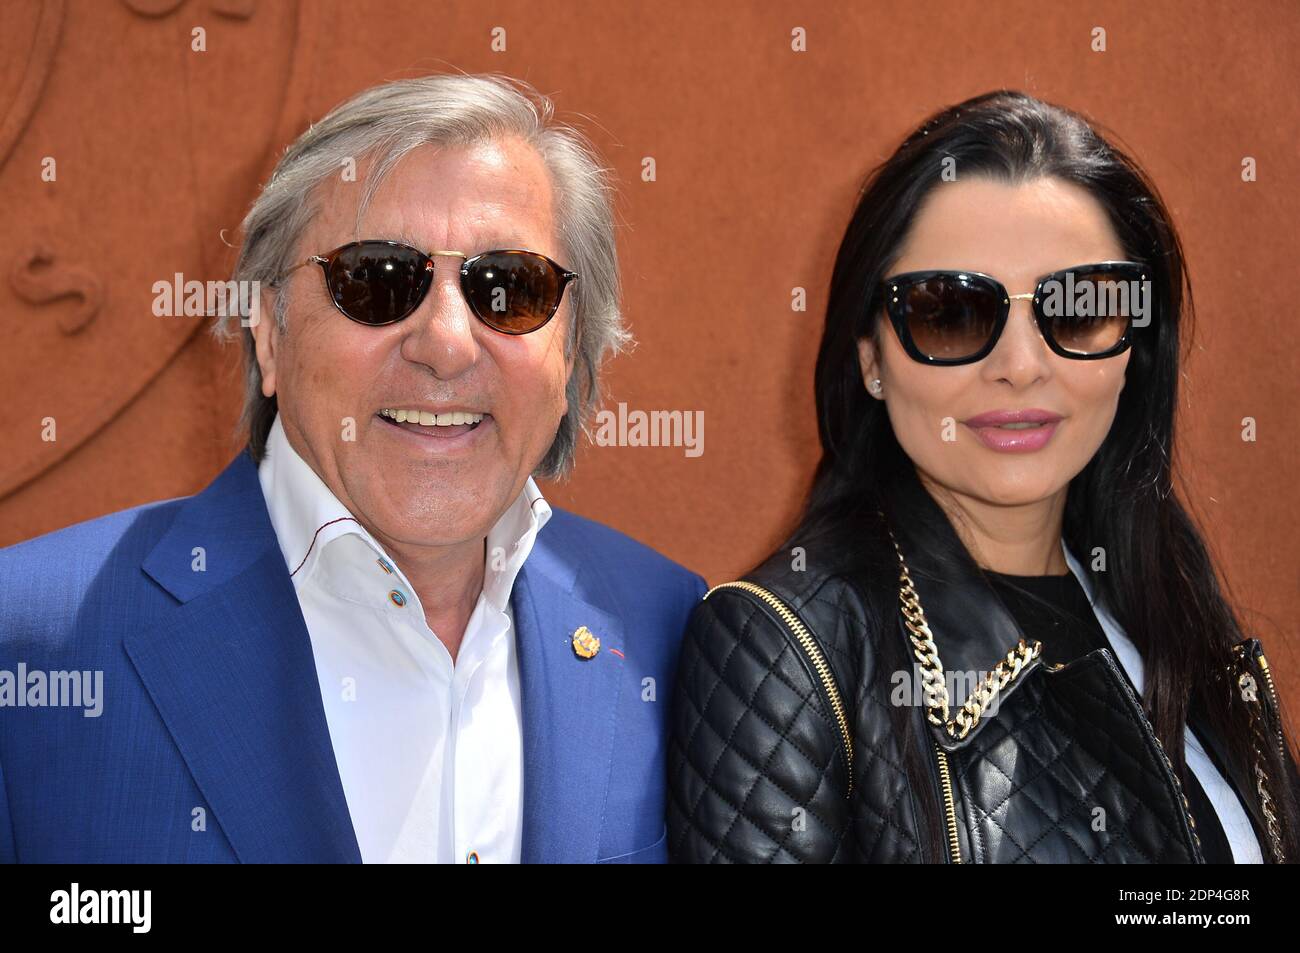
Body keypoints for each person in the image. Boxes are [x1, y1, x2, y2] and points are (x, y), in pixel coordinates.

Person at [0, 74, 703, 864]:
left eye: (508, 288)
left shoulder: (671, 630)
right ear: (268, 330)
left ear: (569, 351)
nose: (445, 342)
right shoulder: (26, 646)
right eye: (376, 279)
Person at [667, 90, 1300, 863]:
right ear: (869, 356)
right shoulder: (787, 653)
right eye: (950, 312)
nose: (1022, 367)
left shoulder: (1165, 599)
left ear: (1135, 342)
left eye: (1076, 310)